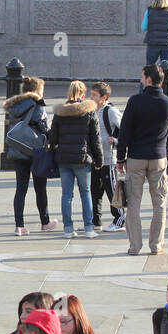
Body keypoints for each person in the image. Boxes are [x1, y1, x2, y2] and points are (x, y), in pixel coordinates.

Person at [116, 64, 168, 254]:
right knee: (159, 202)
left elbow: (125, 131)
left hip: (136, 157)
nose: (141, 79)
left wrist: (120, 157)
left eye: (142, 76)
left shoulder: (135, 101)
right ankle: (156, 245)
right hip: (158, 157)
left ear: (149, 79)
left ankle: (135, 246)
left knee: (133, 203)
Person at [48, 79, 102, 238]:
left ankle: (68, 229)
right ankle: (89, 228)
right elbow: (95, 139)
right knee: (85, 193)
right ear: (83, 94)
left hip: (64, 159)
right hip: (82, 158)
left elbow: (53, 139)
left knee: (67, 194)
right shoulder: (89, 112)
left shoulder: (60, 112)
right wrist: (99, 160)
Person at [5, 76, 55, 236]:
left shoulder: (15, 106)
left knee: (21, 189)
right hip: (36, 152)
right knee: (40, 188)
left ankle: (19, 225)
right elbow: (44, 128)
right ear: (36, 91)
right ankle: (45, 222)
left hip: (18, 151)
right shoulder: (38, 106)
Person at [86, 82, 123, 232]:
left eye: (94, 95)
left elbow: (125, 130)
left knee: (112, 190)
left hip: (108, 158)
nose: (91, 97)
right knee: (95, 191)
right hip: (94, 159)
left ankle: (120, 219)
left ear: (104, 97)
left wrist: (115, 140)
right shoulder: (91, 110)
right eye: (91, 94)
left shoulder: (110, 111)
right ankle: (96, 221)